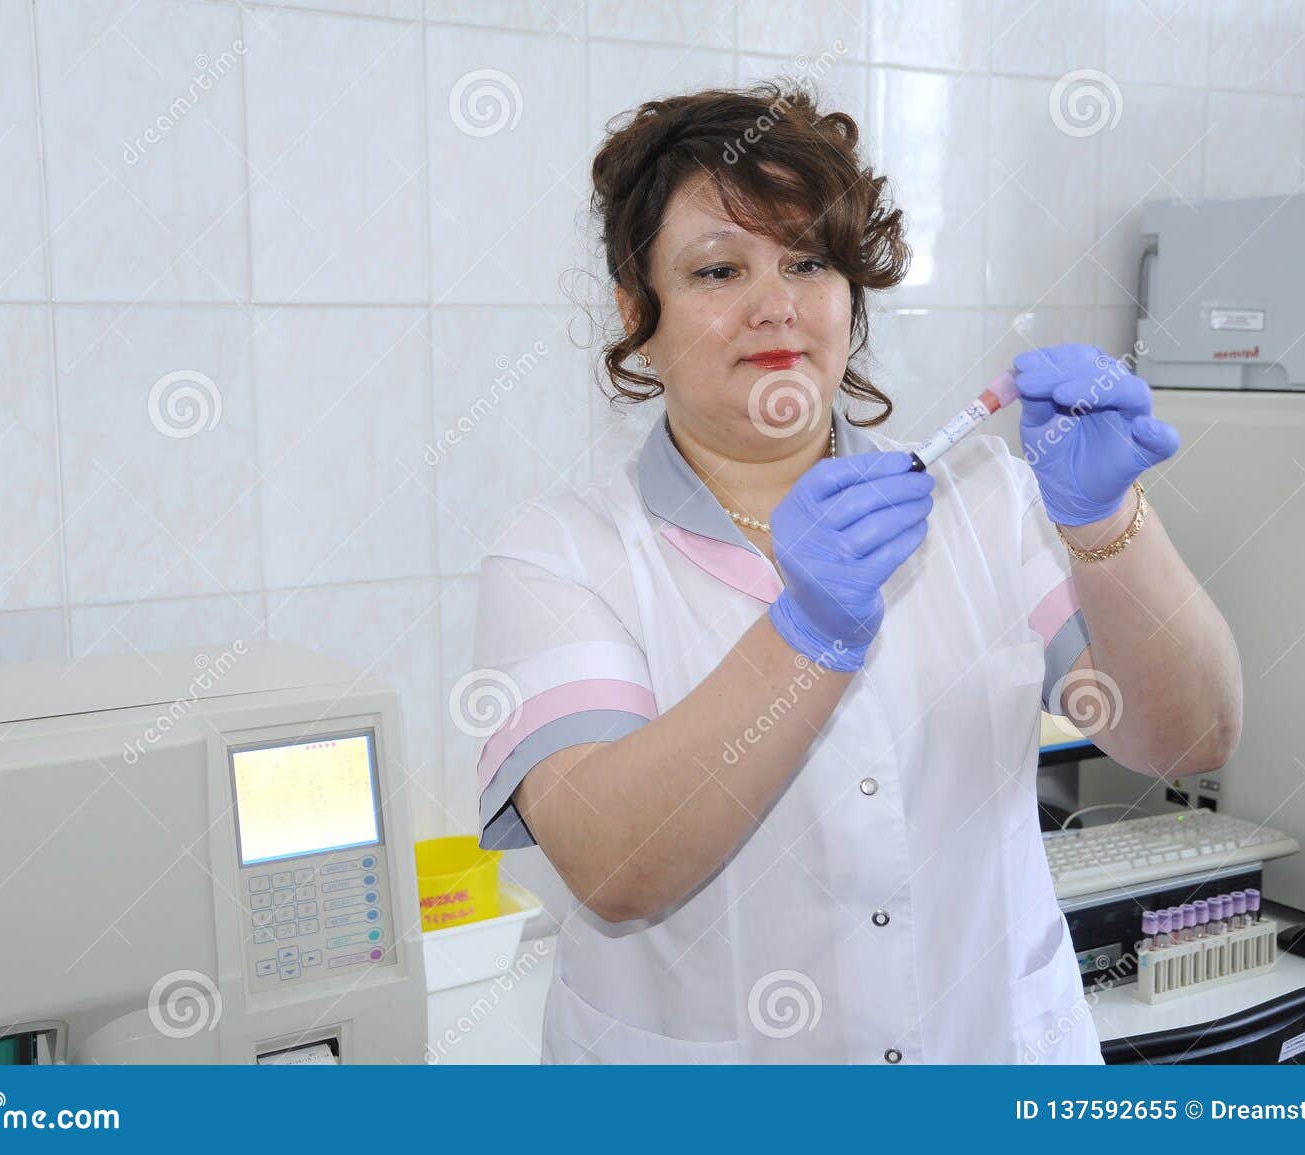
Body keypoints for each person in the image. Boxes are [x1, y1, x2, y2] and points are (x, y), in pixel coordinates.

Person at [470, 83, 1241, 1063]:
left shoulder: (983, 501)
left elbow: (1188, 739)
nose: (775, 305)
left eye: (808, 261)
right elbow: (615, 864)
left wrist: (1103, 524)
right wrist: (810, 634)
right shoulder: (560, 551)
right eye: (716, 271)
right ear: (639, 313)